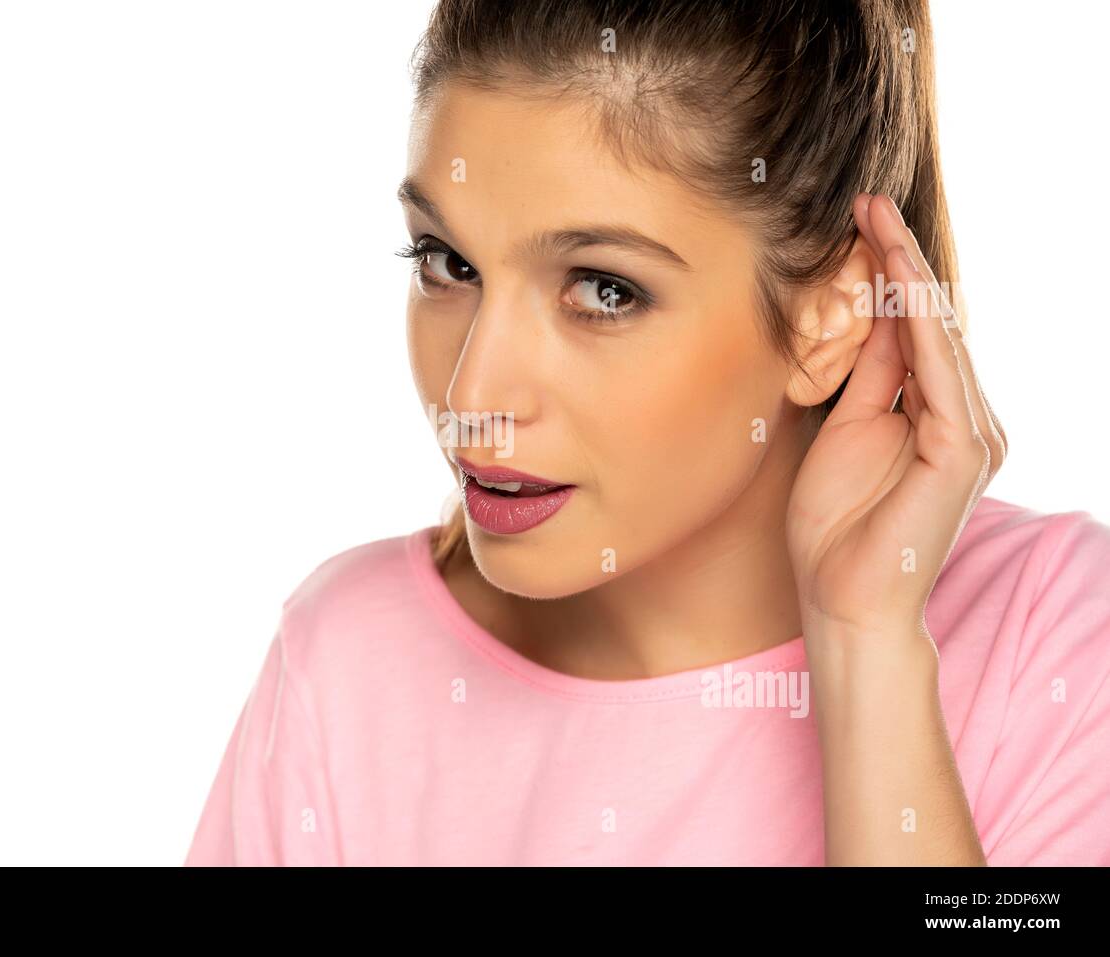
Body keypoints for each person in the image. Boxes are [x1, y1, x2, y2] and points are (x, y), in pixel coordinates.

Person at [184, 0, 1110, 865]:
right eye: (447, 261)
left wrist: (866, 644)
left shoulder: (1055, 637)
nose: (473, 391)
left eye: (603, 289)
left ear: (830, 316)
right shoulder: (348, 663)